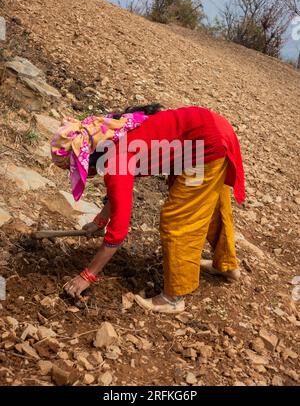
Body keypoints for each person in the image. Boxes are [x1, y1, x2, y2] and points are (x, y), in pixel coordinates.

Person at [51, 104, 245, 314]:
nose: (85, 175)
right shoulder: (111, 131)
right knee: (211, 205)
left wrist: (87, 275)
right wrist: (99, 222)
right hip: (209, 130)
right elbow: (118, 195)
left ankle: (173, 298)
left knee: (179, 219)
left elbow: (119, 231)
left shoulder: (117, 160)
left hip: (205, 147)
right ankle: (225, 265)